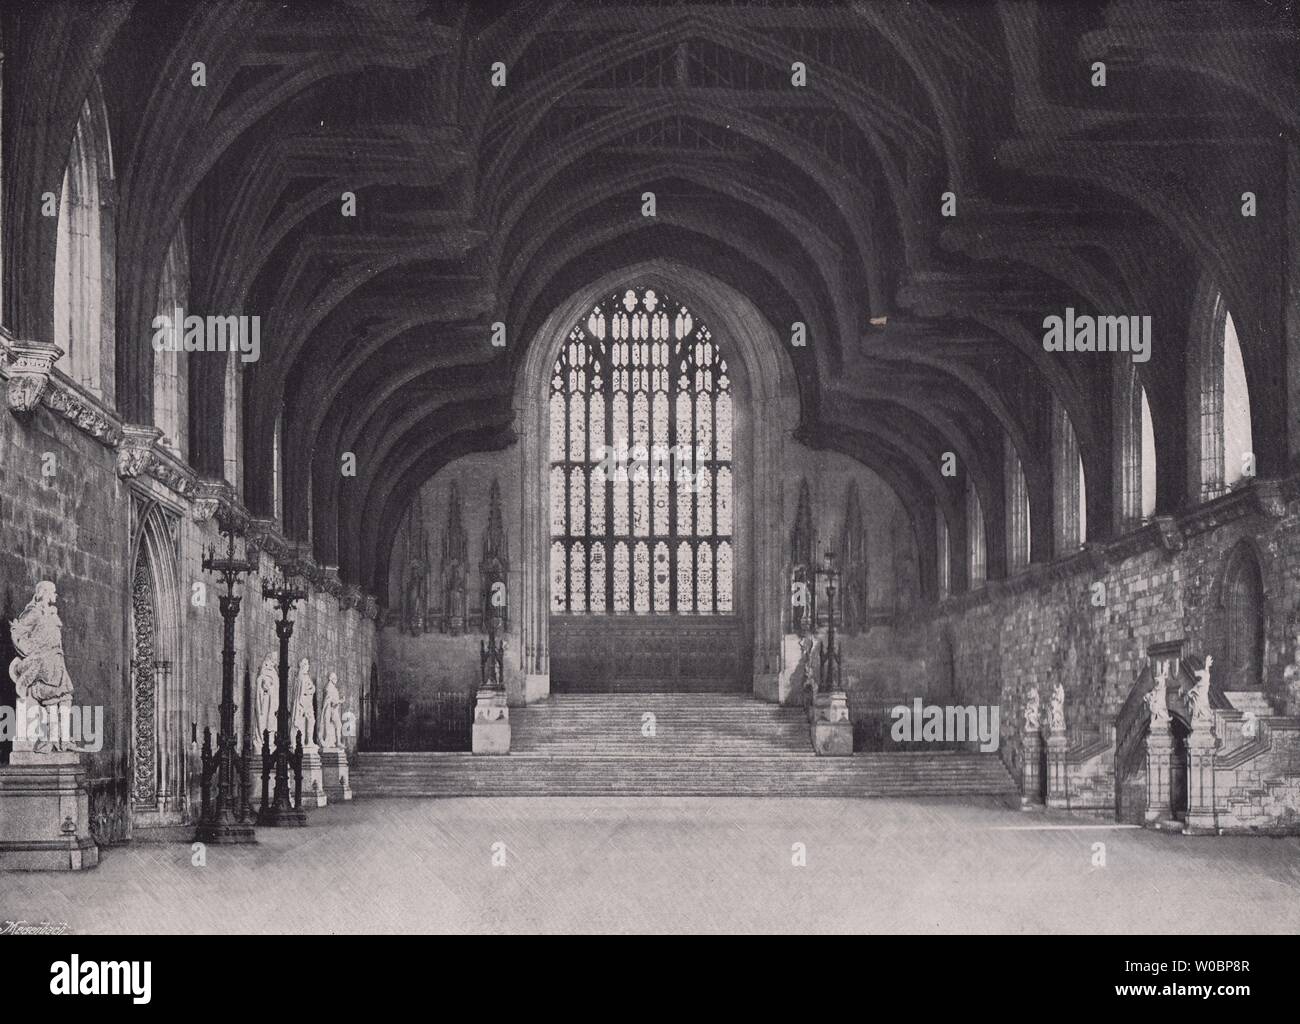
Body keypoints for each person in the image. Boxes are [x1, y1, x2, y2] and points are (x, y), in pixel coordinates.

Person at [9, 581, 75, 753]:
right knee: (55, 697)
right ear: (44, 593)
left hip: (56, 661)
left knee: (65, 697)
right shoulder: (34, 613)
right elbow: (18, 633)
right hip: (44, 661)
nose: (55, 595)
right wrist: (31, 652)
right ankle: (53, 740)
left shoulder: (51, 615)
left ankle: (63, 741)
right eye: (53, 591)